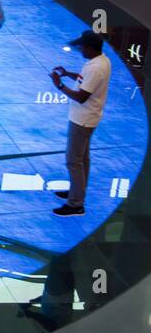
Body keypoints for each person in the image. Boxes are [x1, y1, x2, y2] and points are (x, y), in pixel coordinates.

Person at [50, 30, 111, 217]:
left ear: (91, 48)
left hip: (82, 120)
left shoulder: (95, 68)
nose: (80, 50)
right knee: (83, 159)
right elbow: (86, 81)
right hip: (88, 118)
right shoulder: (102, 61)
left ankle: (76, 203)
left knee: (73, 161)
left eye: (82, 47)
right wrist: (69, 74)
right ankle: (77, 191)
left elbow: (81, 97)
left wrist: (59, 85)